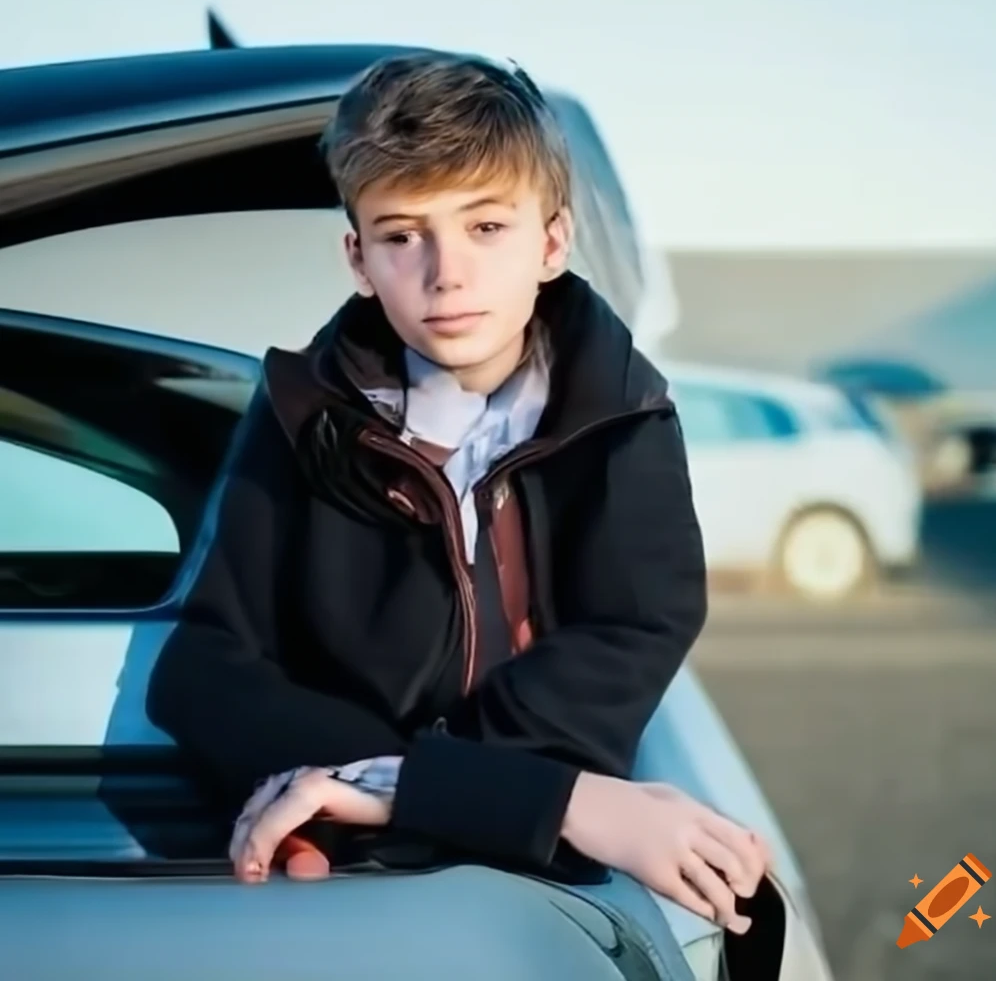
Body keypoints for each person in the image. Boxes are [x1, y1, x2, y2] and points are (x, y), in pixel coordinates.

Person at [146, 51, 770, 935]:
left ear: (552, 242)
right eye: (404, 236)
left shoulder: (621, 419)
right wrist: (482, 797)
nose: (446, 274)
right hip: (357, 870)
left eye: (485, 228)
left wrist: (406, 788)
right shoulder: (302, 418)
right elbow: (202, 676)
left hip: (541, 872)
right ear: (358, 257)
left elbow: (632, 631)